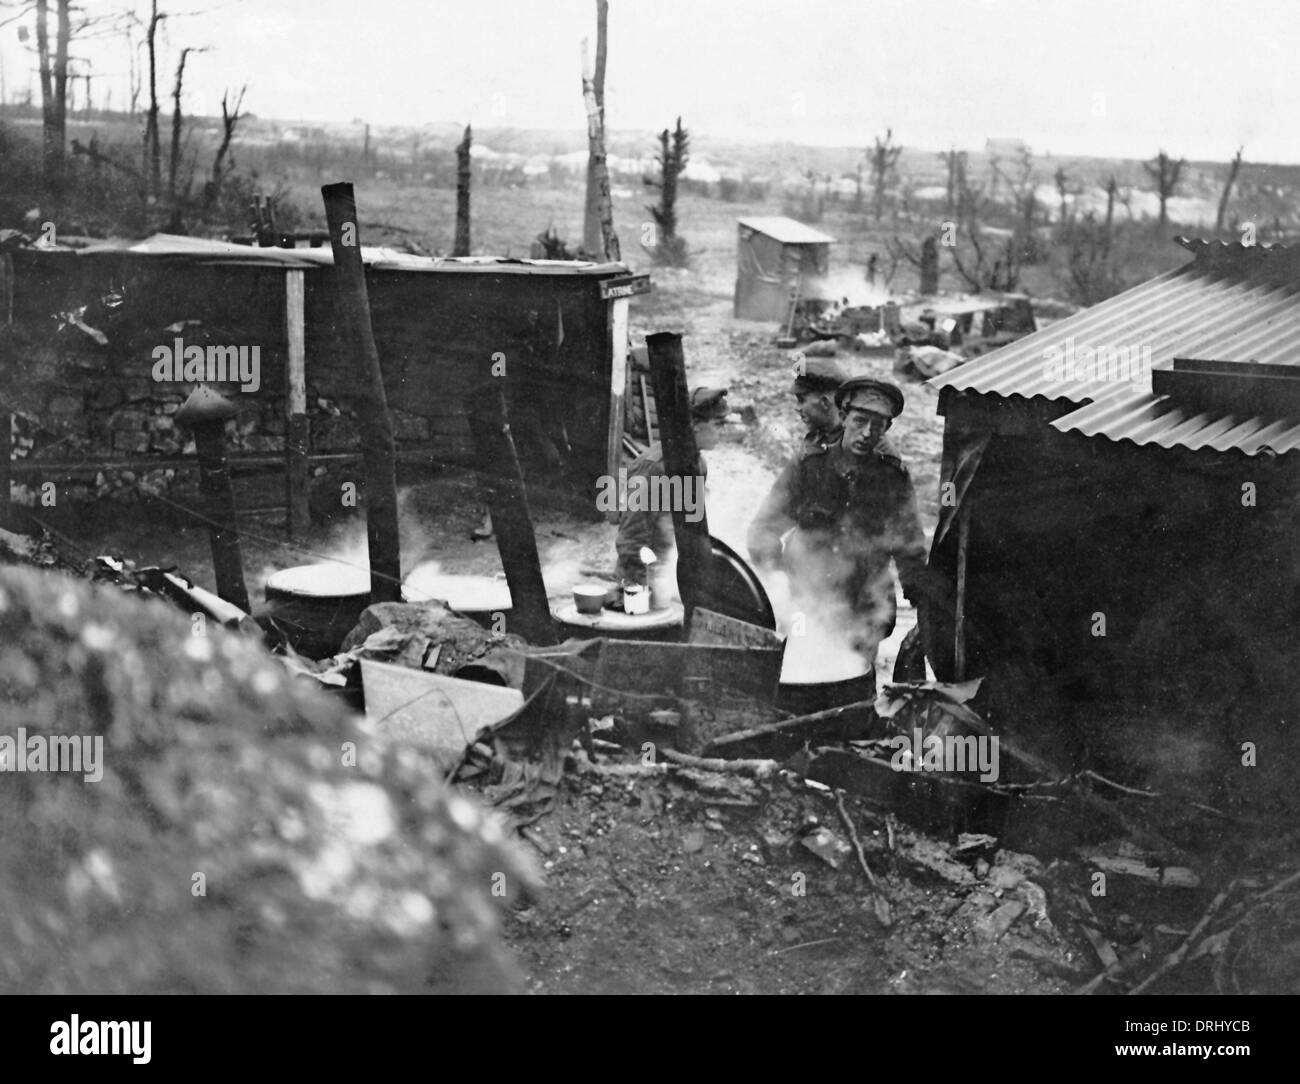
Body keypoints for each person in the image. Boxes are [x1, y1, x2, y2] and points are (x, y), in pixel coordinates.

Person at [747, 376, 927, 666]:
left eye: (878, 424)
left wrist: (921, 599)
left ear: (888, 428)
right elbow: (763, 530)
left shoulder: (892, 476)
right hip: (808, 597)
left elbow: (909, 543)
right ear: (843, 417)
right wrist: (781, 586)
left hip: (865, 604)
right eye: (860, 420)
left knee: (855, 680)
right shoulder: (808, 467)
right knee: (803, 676)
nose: (868, 432)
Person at [613, 386, 729, 587]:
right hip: (643, 577)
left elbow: (692, 524)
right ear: (695, 426)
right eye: (718, 424)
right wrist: (645, 586)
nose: (723, 431)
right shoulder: (652, 468)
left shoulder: (698, 465)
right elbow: (631, 538)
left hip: (674, 572)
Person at [791, 354, 848, 456]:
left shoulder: (853, 445)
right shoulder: (815, 439)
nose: (797, 408)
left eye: (802, 400)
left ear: (824, 403)